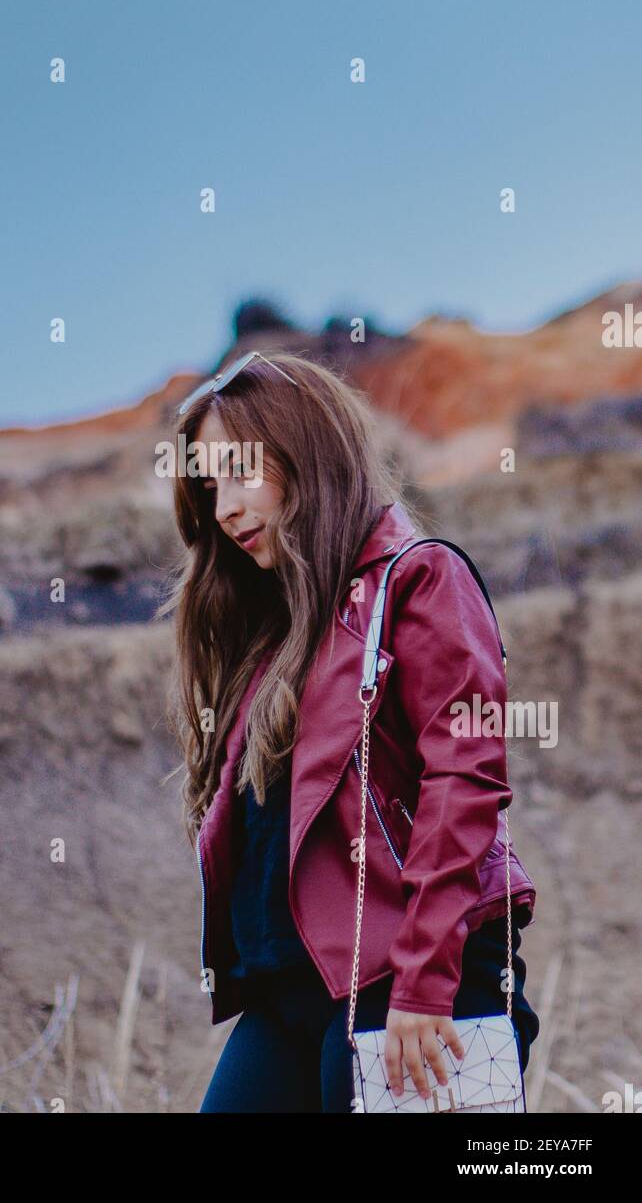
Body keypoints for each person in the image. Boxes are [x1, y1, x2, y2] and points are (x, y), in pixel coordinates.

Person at [162, 350, 540, 1113]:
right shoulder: (278, 636)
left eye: (241, 473)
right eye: (210, 487)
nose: (226, 508)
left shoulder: (421, 580)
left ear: (306, 452)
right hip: (289, 993)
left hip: (409, 980)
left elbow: (464, 782)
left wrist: (426, 984)